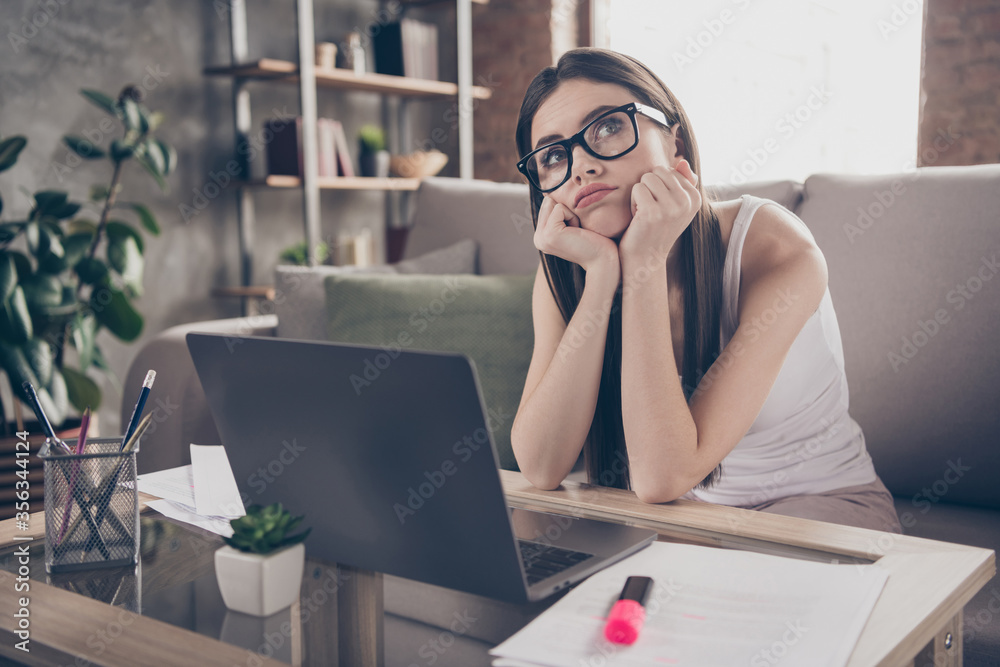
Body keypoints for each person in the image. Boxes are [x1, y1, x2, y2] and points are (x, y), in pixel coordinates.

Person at [509, 47, 901, 533]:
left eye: (608, 126)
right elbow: (541, 466)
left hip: (819, 507)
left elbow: (659, 477)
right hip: (689, 522)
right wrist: (602, 278)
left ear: (675, 144)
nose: (583, 165)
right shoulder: (569, 272)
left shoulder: (772, 247)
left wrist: (646, 259)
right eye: (552, 155)